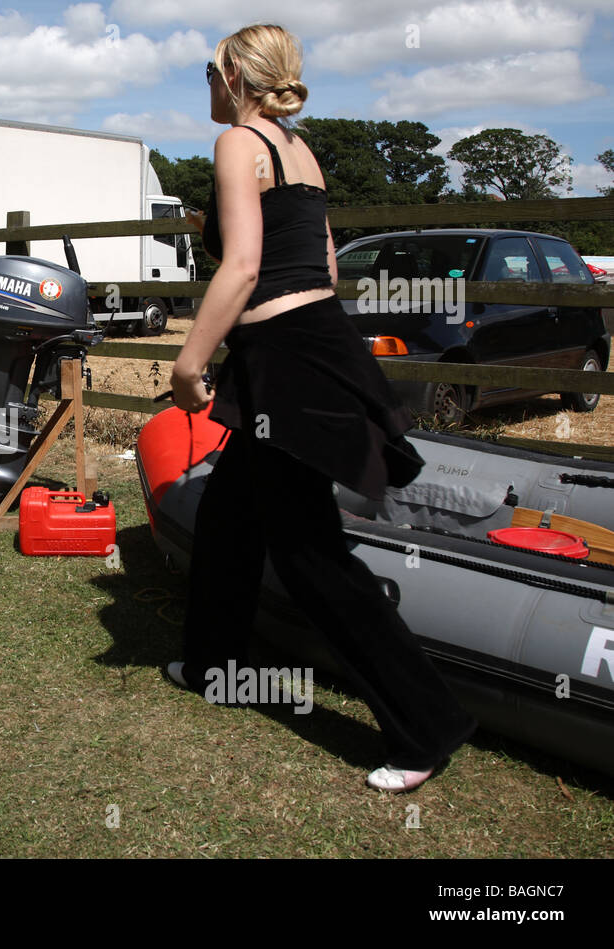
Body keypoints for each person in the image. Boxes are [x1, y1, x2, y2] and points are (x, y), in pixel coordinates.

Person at [164, 24, 475, 793]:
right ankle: (215, 664)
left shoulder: (241, 145)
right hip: (314, 342)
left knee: (309, 555)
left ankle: (426, 725)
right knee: (233, 516)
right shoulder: (301, 151)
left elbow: (240, 267)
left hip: (287, 360)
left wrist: (190, 360)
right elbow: (326, 263)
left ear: (234, 75)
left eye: (209, 70)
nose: (204, 83)